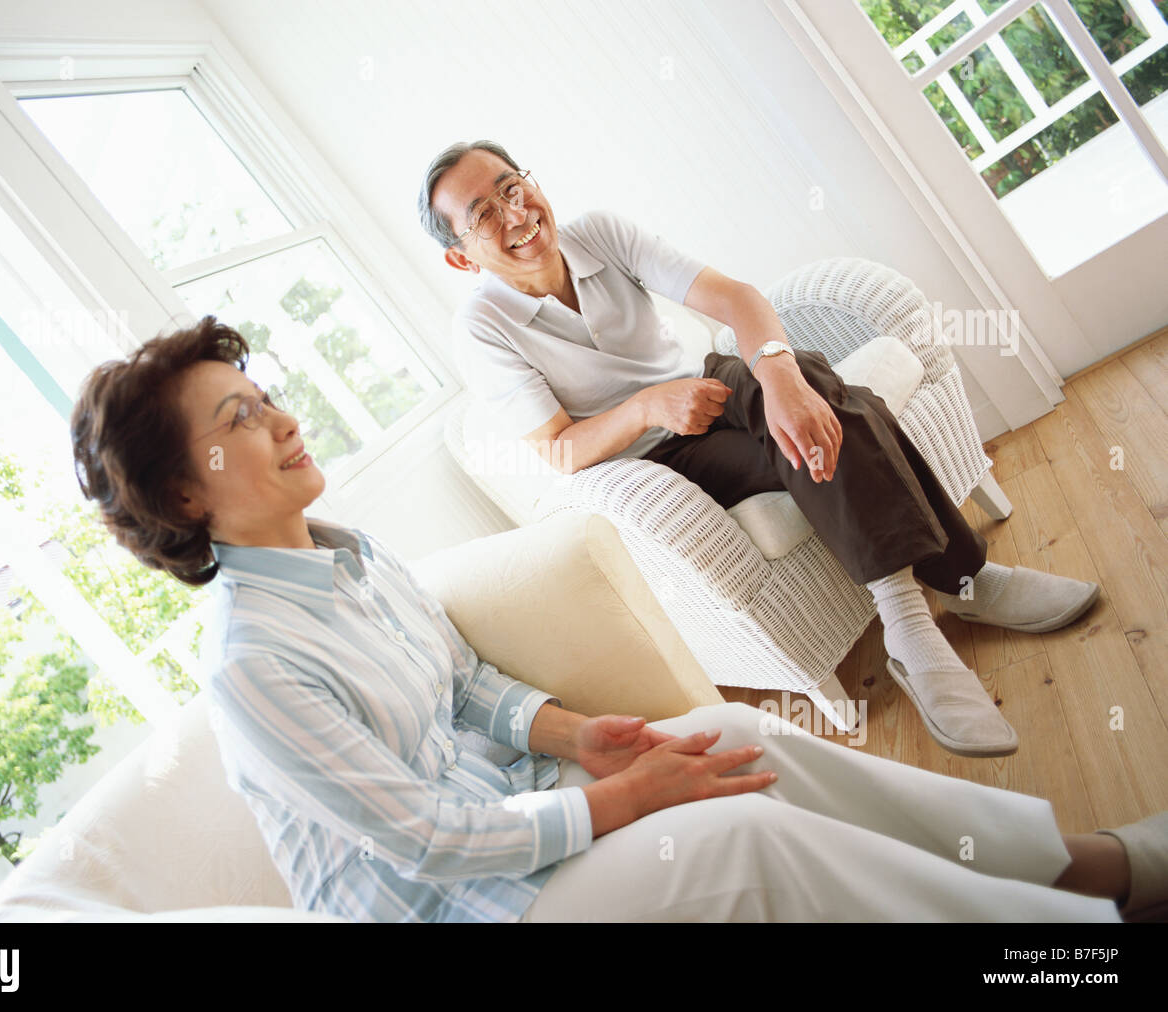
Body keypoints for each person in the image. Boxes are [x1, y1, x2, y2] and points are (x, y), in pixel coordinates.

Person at [68, 317, 1166, 923]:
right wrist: (624, 799)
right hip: (470, 911)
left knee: (738, 737)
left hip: (520, 826)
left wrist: (575, 736)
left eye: (262, 399)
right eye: (240, 421)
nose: (284, 422)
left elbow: (464, 690)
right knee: (735, 833)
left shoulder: (352, 558)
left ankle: (1073, 866)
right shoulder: (253, 669)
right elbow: (426, 841)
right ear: (179, 497)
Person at [419, 139, 1101, 759]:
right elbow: (561, 451)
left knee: (807, 384)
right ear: (460, 254)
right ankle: (962, 585)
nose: (516, 213)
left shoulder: (599, 233)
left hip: (717, 380)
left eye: (513, 186)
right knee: (840, 407)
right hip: (661, 455)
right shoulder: (481, 330)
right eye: (483, 213)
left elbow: (735, 298)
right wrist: (647, 406)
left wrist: (782, 378)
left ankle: (913, 623)